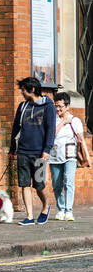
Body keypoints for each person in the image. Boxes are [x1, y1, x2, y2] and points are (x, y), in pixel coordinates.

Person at [10, 76, 56, 225]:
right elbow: (16, 129)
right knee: (24, 184)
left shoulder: (48, 106)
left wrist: (47, 150)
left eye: (23, 90)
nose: (22, 92)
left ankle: (45, 206)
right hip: (23, 151)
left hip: (39, 152)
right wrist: (12, 149)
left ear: (33, 90)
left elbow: (51, 129)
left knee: (39, 184)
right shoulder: (22, 107)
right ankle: (29, 216)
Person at [48, 91, 88, 220]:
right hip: (54, 156)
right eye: (56, 106)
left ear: (67, 106)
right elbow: (50, 136)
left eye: (60, 106)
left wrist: (86, 155)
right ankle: (61, 209)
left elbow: (81, 139)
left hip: (70, 156)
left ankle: (68, 210)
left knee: (69, 182)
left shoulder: (75, 121)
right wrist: (63, 122)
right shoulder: (52, 120)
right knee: (57, 184)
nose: (58, 109)